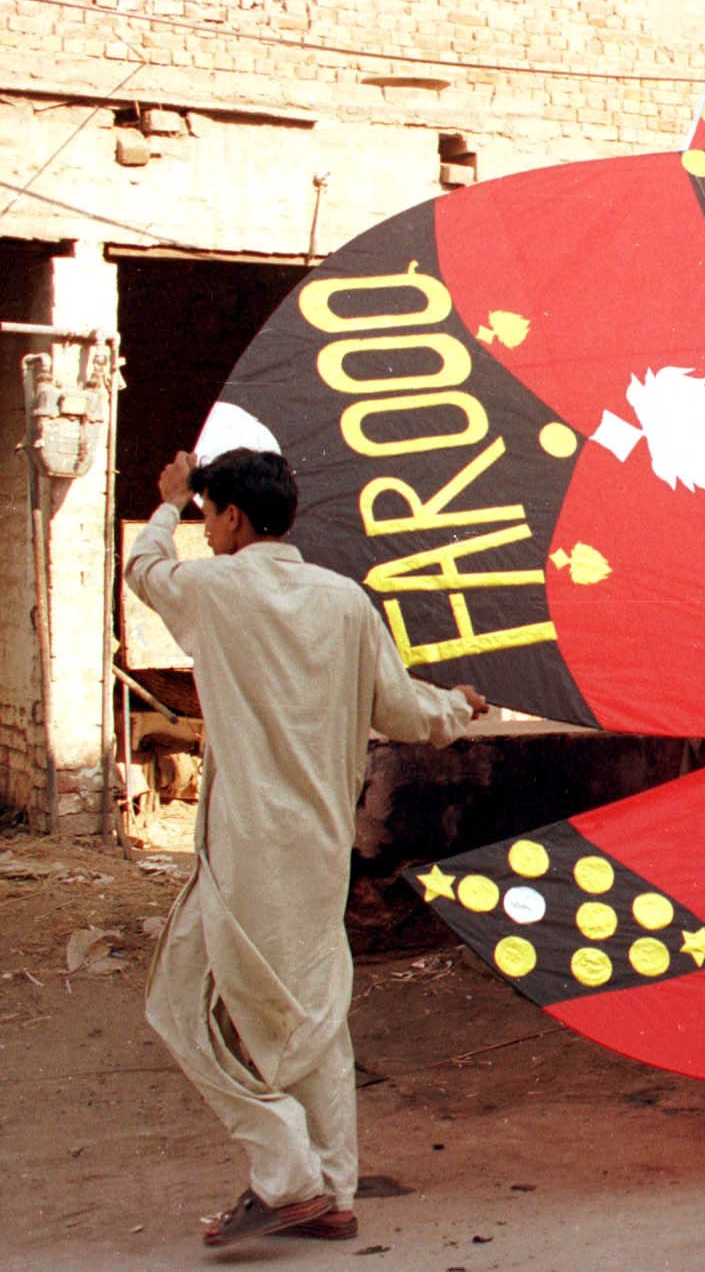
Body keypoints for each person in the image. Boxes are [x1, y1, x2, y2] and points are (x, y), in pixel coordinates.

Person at [125, 448, 485, 1247]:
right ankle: (329, 1189)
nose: (207, 528)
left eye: (210, 514)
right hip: (319, 844)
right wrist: (455, 705)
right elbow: (400, 707)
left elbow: (144, 568)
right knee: (308, 1017)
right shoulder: (343, 600)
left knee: (199, 1008)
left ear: (232, 517)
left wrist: (167, 501)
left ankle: (290, 1176)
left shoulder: (214, 589)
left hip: (248, 846)